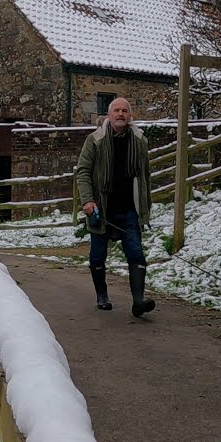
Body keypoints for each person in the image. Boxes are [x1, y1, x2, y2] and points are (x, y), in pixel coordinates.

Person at [75, 97, 156, 317]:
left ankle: (138, 302)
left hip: (130, 209)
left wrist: (146, 207)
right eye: (116, 110)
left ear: (130, 116)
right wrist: (87, 201)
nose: (121, 114)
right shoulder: (95, 140)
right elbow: (82, 172)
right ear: (109, 115)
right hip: (102, 208)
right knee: (97, 256)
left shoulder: (140, 141)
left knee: (136, 253)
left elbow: (145, 176)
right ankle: (102, 295)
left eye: (125, 111)